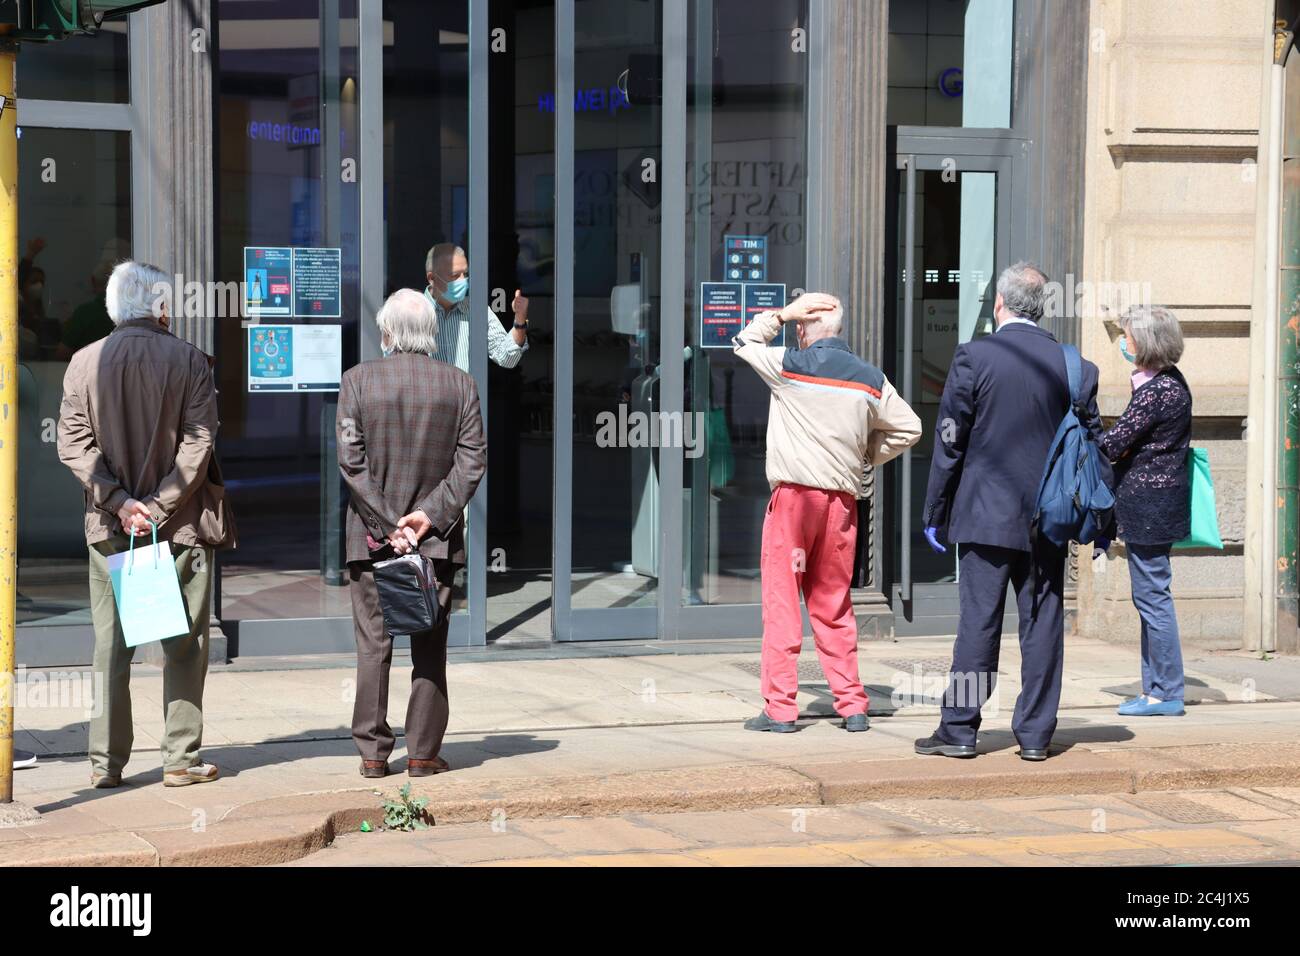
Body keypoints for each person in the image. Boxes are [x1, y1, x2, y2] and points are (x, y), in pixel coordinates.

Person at [915, 262, 1106, 761]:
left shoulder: (974, 357)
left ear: (999, 303)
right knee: (1043, 623)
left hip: (985, 513)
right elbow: (1095, 447)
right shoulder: (1076, 366)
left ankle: (959, 729)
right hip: (1051, 517)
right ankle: (1037, 735)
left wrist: (935, 507)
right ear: (1040, 308)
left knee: (978, 623)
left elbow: (950, 440)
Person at [57, 261, 235, 788]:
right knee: (185, 644)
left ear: (114, 307)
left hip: (111, 527)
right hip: (179, 526)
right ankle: (180, 759)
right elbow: (198, 444)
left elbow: (73, 445)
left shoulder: (83, 362)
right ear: (160, 307)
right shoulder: (189, 361)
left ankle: (104, 765)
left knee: (111, 646)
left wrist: (120, 503)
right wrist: (155, 507)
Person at [733, 292, 922, 733]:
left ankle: (780, 710)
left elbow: (743, 343)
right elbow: (910, 427)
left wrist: (780, 315)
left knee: (783, 602)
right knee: (833, 603)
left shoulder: (790, 366)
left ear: (803, 329)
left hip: (794, 500)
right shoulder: (870, 377)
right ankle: (853, 707)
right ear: (840, 330)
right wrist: (865, 456)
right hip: (841, 504)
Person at [336, 288, 486, 778]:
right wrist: (426, 518)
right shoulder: (459, 384)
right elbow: (471, 462)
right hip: (435, 541)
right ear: (433, 334)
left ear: (385, 333)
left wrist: (387, 525)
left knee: (373, 646)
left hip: (371, 541)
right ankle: (422, 752)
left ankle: (373, 755)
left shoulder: (357, 381)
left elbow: (351, 465)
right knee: (429, 644)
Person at [1097, 306, 1191, 717]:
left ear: (1147, 343)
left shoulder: (1157, 391)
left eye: (1129, 336)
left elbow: (1114, 443)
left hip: (1150, 506)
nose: (1124, 342)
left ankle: (1165, 692)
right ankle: (1156, 688)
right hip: (1153, 503)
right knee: (1150, 597)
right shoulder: (1164, 384)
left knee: (1152, 598)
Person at [424, 242, 528, 372]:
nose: (463, 280)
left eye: (465, 274)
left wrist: (519, 320)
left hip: (466, 392)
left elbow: (506, 358)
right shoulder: (413, 311)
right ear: (432, 278)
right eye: (455, 275)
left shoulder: (477, 310)